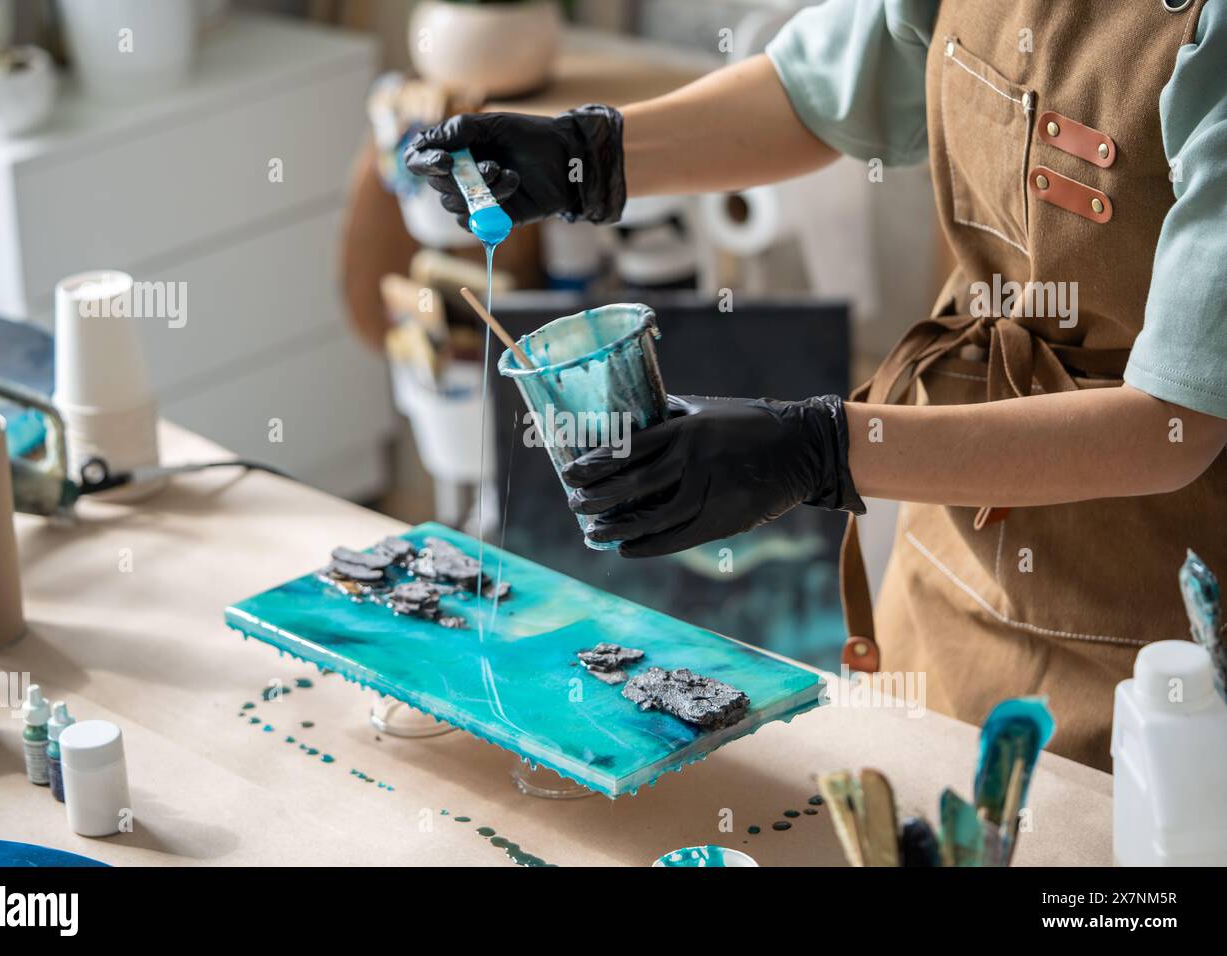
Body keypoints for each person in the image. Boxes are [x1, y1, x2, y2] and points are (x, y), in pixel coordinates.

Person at [406, 0, 1227, 770]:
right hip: (956, 560)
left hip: (1155, 629)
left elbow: (1175, 425)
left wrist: (819, 450)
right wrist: (589, 157)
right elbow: (822, 93)